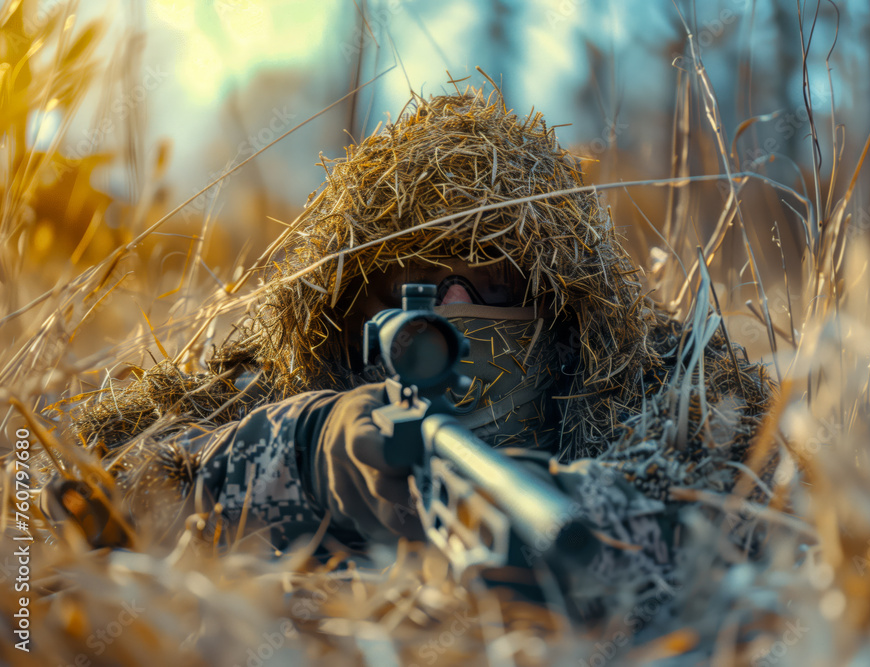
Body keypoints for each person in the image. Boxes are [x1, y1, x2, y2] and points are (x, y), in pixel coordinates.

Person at [54, 87, 775, 589]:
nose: (455, 313)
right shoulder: (287, 378)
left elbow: (733, 517)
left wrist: (524, 521)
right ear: (349, 305)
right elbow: (78, 488)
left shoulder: (656, 384)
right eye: (416, 286)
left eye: (495, 283)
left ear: (563, 303)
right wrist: (308, 452)